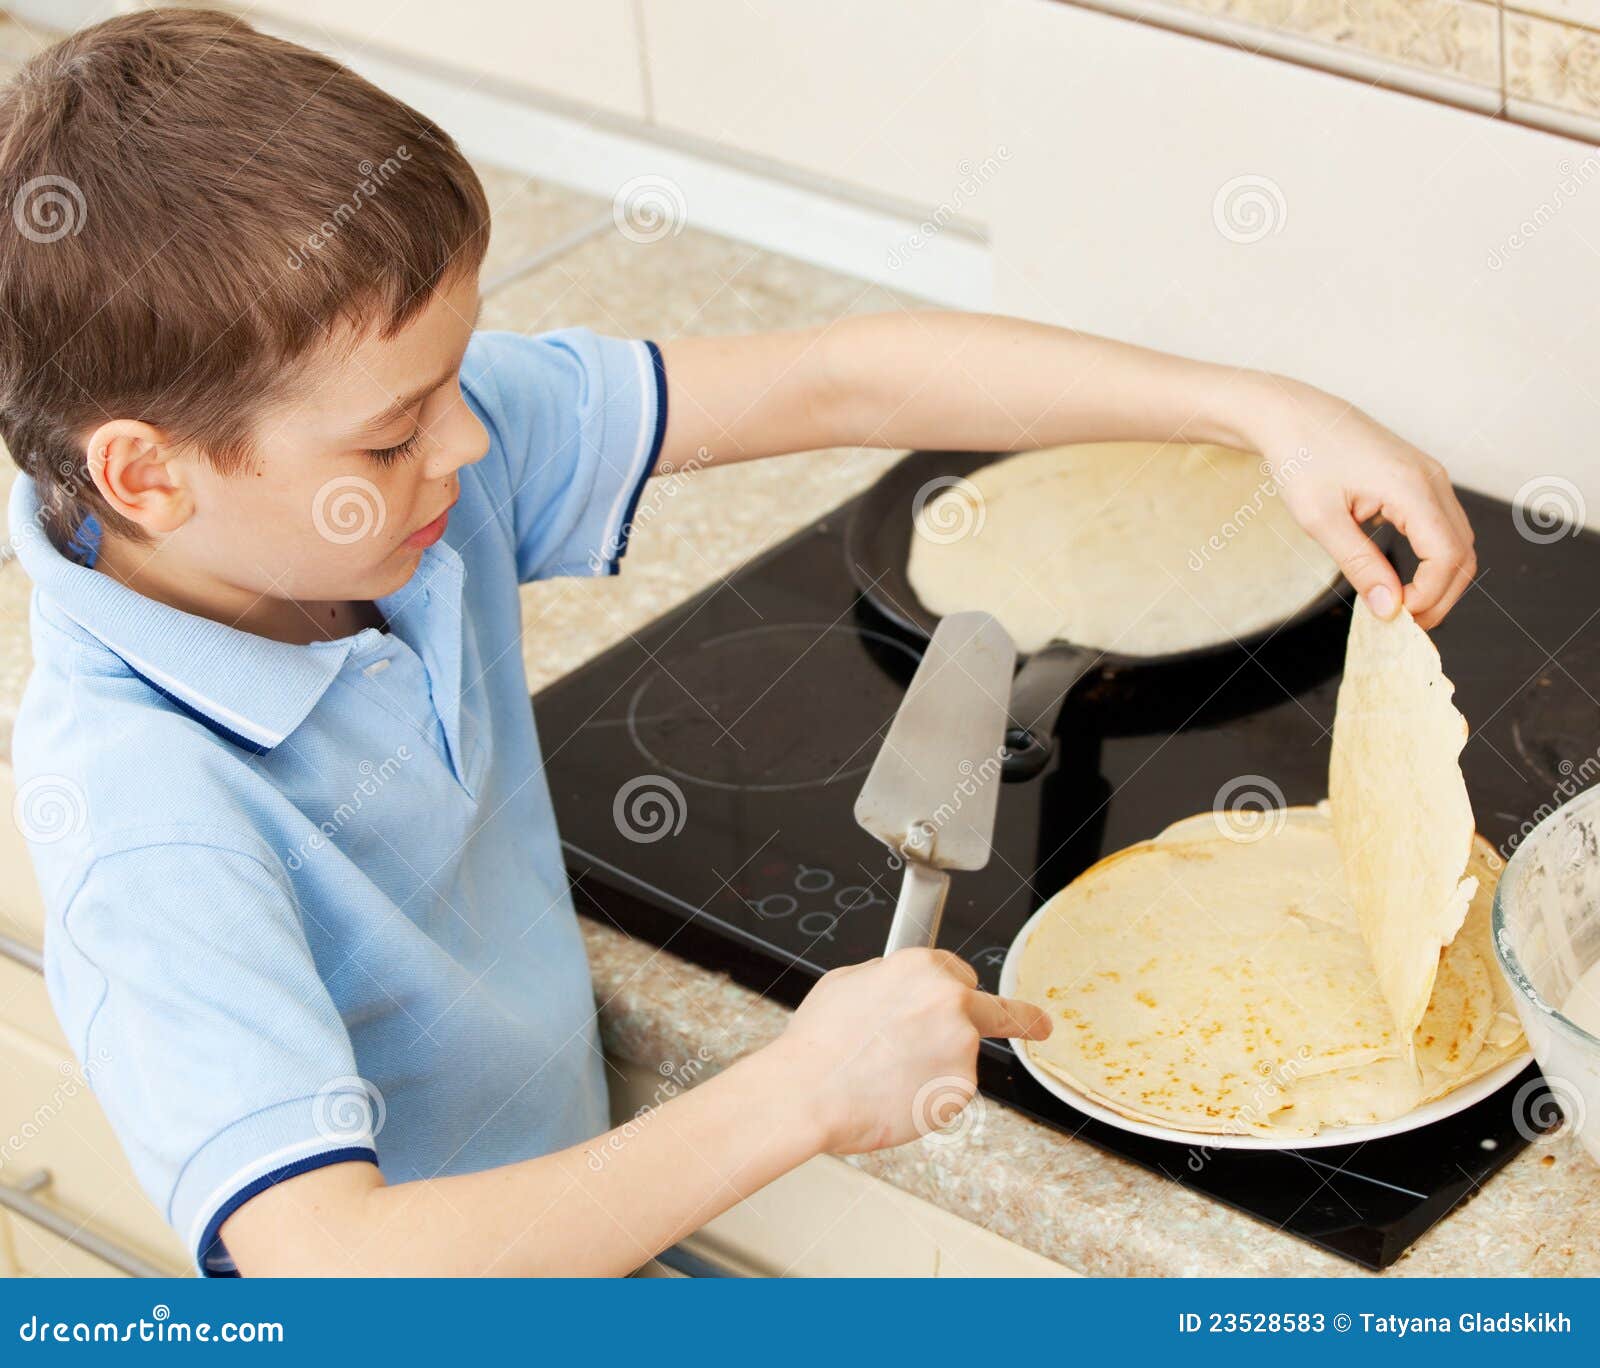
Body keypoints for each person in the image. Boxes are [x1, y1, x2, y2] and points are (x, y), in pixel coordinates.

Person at [1, 9, 1474, 1276]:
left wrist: (1255, 409)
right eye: (394, 433)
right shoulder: (146, 818)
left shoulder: (377, 486)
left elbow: (836, 379)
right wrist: (806, 1093)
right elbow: (335, 1272)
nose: (468, 437)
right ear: (145, 475)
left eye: (453, 378)